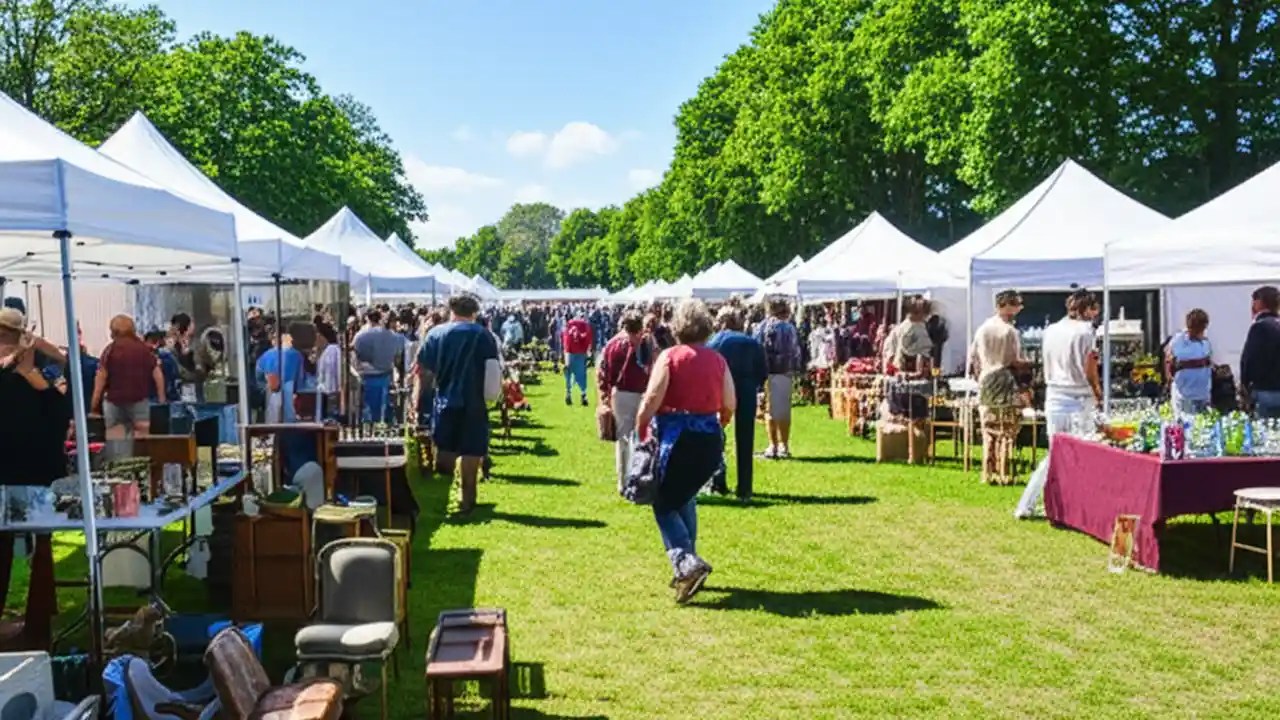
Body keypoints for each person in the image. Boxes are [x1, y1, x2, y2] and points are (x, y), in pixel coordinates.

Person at [636, 299, 736, 603]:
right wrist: (719, 423)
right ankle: (691, 571)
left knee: (663, 502)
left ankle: (686, 561)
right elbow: (729, 403)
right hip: (709, 439)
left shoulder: (670, 356)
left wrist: (641, 425)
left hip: (677, 439)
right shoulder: (718, 360)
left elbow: (652, 397)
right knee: (685, 497)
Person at [0, 307, 70, 651]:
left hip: (35, 470)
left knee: (39, 547)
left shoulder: (39, 368)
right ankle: (36, 622)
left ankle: (39, 622)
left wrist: (31, 370)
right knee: (22, 547)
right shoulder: (30, 370)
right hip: (25, 469)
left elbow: (61, 409)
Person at [1015, 289, 1101, 519]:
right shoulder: (1086, 331)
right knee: (1084, 453)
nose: (1096, 313)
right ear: (1086, 309)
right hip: (1079, 397)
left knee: (1055, 454)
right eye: (1094, 308)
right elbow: (1090, 368)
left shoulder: (1051, 330)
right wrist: (1098, 392)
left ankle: (1029, 504)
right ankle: (1080, 504)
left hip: (1054, 395)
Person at [417, 294, 502, 515]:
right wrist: (492, 397)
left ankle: (444, 493)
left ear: (451, 311)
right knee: (472, 450)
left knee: (445, 450)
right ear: (474, 313)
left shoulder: (435, 334)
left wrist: (420, 401)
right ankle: (467, 497)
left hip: (444, 399)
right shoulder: (483, 335)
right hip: (474, 400)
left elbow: (424, 371)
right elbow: (492, 369)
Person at [708, 307, 767, 501]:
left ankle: (718, 480)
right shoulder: (751, 342)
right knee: (746, 437)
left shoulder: (714, 342)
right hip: (747, 388)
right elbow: (762, 370)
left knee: (716, 434)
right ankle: (745, 488)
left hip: (721, 389)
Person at [971, 290, 1025, 486]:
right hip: (1004, 379)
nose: (1019, 309)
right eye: (1017, 305)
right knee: (1006, 429)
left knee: (988, 427)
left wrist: (979, 376)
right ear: (1007, 306)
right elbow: (1015, 359)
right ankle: (1004, 472)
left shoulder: (982, 328)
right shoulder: (1010, 331)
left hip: (986, 379)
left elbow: (974, 359)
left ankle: (987, 473)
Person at [598, 311, 650, 493]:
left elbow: (603, 371)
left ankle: (623, 480)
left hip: (620, 394)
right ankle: (638, 476)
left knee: (623, 439)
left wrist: (604, 395)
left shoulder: (612, 345)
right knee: (642, 437)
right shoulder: (646, 343)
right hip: (643, 393)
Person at [93, 314, 164, 441]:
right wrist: (161, 398)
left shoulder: (110, 350)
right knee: (141, 440)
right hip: (139, 402)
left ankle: (119, 453)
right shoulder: (144, 350)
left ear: (115, 332)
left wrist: (94, 405)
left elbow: (101, 378)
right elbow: (157, 374)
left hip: (115, 403)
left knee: (116, 441)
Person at [756, 298, 802, 459]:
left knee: (770, 409)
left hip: (767, 371)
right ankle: (784, 445)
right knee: (783, 410)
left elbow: (757, 347)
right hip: (785, 371)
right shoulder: (789, 328)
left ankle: (772, 445)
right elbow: (796, 351)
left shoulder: (762, 327)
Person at [353, 309, 402, 423]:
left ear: (367, 318)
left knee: (367, 410)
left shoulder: (361, 335)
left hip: (366, 376)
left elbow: (356, 355)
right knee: (383, 409)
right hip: (385, 375)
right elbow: (397, 356)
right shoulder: (393, 336)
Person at [1240, 285, 1280, 418]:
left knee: (1266, 428)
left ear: (1259, 303)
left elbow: (1249, 360)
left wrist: (1245, 385)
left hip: (1265, 389)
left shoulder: (1260, 327)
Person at [1166, 309, 1212, 417]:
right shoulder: (1179, 340)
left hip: (1203, 394)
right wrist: (1169, 378)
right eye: (1198, 327)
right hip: (1185, 395)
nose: (1201, 330)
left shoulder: (1205, 342)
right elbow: (1168, 358)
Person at [255, 327, 305, 424]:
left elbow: (258, 374)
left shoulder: (266, 355)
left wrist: (263, 386)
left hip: (271, 386)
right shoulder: (297, 355)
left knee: (272, 416)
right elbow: (300, 377)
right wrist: (298, 390)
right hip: (290, 387)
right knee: (289, 415)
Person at [562, 312, 594, 406]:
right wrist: (588, 351)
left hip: (569, 352)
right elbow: (588, 339)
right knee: (581, 375)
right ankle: (583, 395)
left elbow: (564, 339)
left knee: (568, 373)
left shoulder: (569, 326)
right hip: (580, 353)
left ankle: (568, 394)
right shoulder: (585, 325)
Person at [143, 329, 182, 404]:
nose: (156, 344)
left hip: (168, 399)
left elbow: (176, 378)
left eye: (158, 339)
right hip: (150, 400)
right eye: (153, 341)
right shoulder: (140, 358)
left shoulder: (167, 357)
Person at [314, 320, 342, 419]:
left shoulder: (332, 350)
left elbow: (334, 371)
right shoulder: (326, 351)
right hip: (326, 391)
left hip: (331, 391)